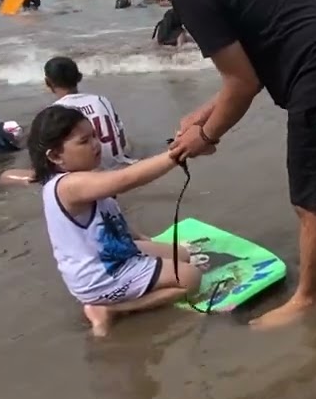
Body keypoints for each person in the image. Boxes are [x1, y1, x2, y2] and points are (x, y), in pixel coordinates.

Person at [94, 0, 316, 328]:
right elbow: (254, 71)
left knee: (310, 200)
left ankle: (306, 300)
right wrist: (204, 112)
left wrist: (206, 135)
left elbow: (242, 83)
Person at [26, 104, 202, 337]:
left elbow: (111, 221)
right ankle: (113, 309)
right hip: (102, 275)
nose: (95, 144)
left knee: (183, 254)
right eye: (84, 141)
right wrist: (176, 153)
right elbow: (126, 179)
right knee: (191, 278)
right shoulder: (68, 185)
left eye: (94, 136)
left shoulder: (86, 178)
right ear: (56, 156)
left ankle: (121, 294)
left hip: (109, 253)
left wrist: (146, 242)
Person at [45, 56, 134, 169]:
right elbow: (121, 140)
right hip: (119, 164)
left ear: (48, 82)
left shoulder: (54, 112)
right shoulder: (101, 100)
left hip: (89, 175)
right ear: (79, 77)